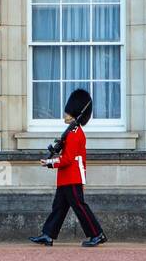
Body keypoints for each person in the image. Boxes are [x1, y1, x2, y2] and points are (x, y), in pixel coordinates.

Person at [29, 89, 107, 248]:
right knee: (58, 207)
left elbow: (67, 159)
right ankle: (48, 235)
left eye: (68, 113)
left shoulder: (74, 134)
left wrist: (49, 162)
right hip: (67, 177)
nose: (65, 115)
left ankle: (97, 234)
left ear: (75, 114)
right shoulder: (72, 132)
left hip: (72, 177)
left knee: (80, 207)